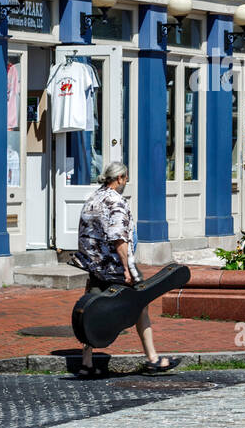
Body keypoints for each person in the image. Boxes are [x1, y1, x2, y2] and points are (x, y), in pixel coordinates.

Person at [76, 161, 180, 378]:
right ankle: (152, 359)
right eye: (126, 178)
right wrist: (128, 269)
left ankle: (86, 362)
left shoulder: (93, 198)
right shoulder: (116, 202)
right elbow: (119, 239)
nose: (126, 182)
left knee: (91, 310)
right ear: (120, 178)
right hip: (113, 266)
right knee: (140, 305)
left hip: (94, 266)